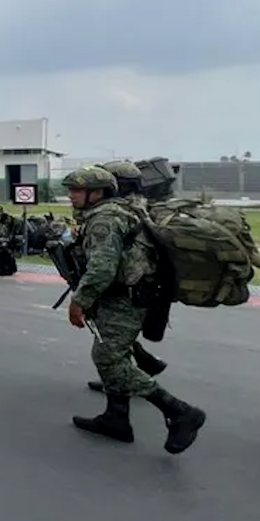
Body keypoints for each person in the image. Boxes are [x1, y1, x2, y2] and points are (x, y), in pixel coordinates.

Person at [61, 165, 206, 453]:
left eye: (77, 190)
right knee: (114, 351)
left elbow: (102, 267)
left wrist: (79, 301)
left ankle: (180, 412)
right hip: (129, 294)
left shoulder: (105, 219)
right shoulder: (116, 210)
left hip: (125, 298)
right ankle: (116, 418)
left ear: (97, 193)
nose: (71, 196)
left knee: (108, 358)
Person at [83, 160, 168, 393]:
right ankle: (119, 389)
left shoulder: (117, 213)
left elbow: (106, 261)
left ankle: (176, 410)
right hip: (138, 287)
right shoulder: (137, 207)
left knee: (109, 350)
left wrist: (83, 297)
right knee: (112, 342)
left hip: (127, 289)